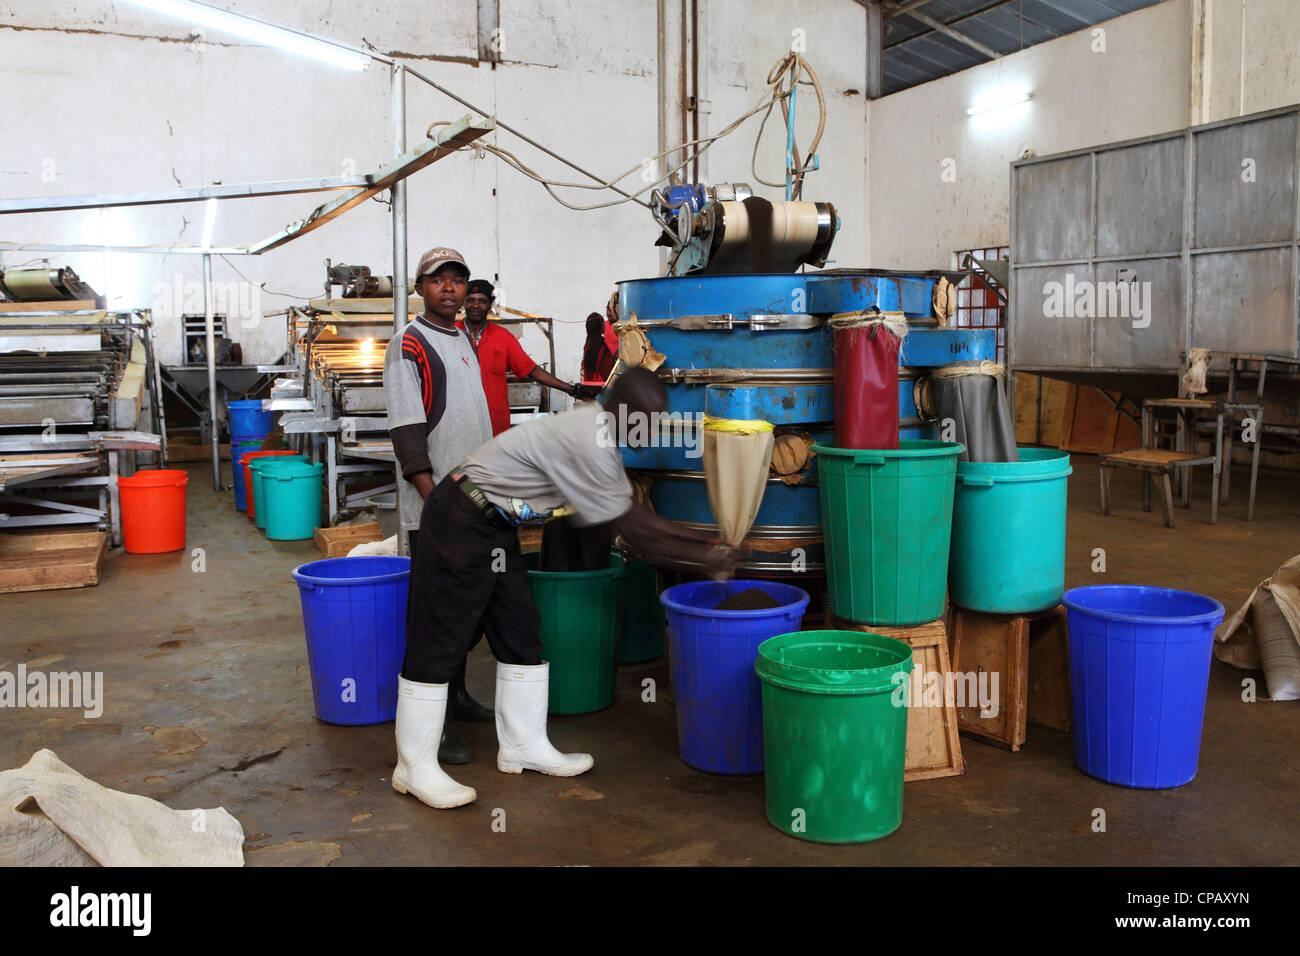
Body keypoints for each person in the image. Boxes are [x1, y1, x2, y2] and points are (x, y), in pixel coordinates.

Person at [391, 367, 732, 809]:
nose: (651, 431)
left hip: (494, 525)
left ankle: (523, 746)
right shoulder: (591, 441)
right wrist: (708, 555)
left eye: (656, 420)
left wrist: (707, 543)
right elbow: (637, 532)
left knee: (519, 630)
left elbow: (637, 518)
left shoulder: (601, 435)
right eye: (644, 419)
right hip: (462, 515)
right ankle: (413, 765)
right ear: (620, 409)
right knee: (441, 635)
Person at [382, 246, 495, 766]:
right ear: (420, 288)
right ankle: (433, 725)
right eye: (437, 279)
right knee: (435, 616)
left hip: (473, 497)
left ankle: (458, 695)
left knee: (466, 607)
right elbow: (407, 431)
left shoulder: (463, 337)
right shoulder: (408, 342)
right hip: (437, 507)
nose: (449, 288)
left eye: (457, 280)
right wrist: (438, 502)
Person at [458, 279, 576, 435]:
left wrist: (571, 389)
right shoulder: (450, 334)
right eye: (470, 300)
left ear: (490, 305)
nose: (475, 305)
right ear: (463, 303)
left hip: (494, 424)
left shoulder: (503, 337)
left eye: (482, 301)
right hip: (459, 422)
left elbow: (532, 370)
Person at [581, 312, 617, 386]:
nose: (605, 325)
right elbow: (607, 368)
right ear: (599, 326)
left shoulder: (588, 343)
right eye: (603, 323)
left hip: (588, 382)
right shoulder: (601, 344)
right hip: (600, 384)